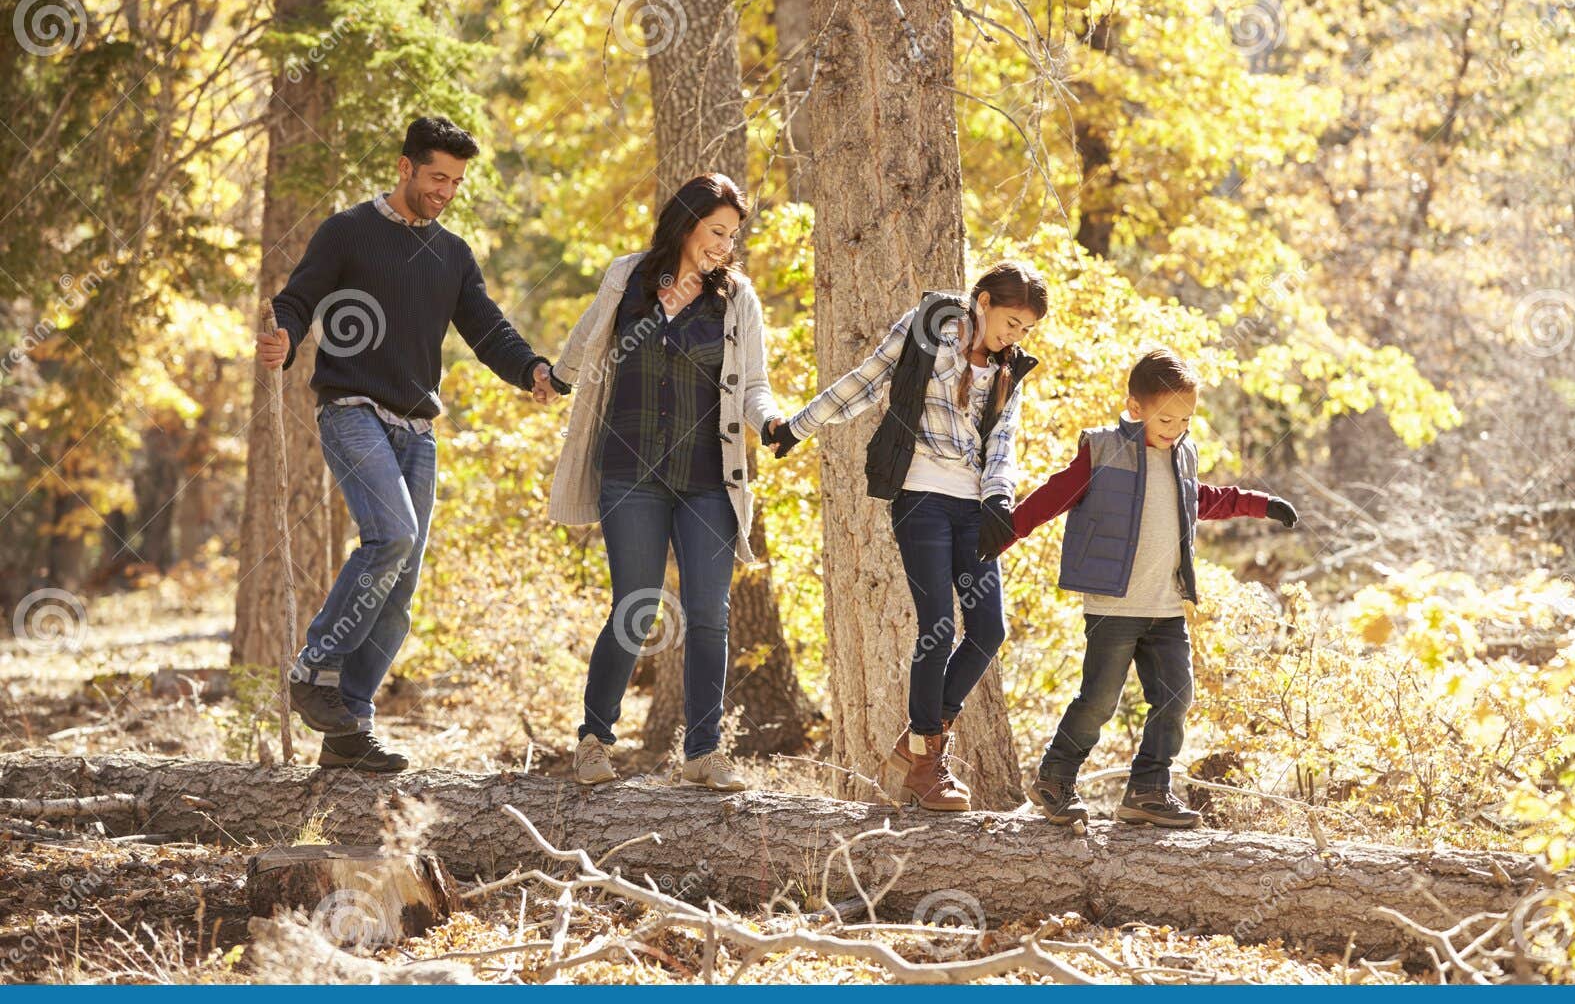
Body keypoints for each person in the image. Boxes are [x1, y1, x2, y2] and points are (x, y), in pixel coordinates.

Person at [257, 115, 557, 772]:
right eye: (435, 177)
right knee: (390, 536)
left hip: (418, 430)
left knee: (400, 588)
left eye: (455, 181)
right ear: (404, 167)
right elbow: (298, 297)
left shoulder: (452, 254)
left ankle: (349, 729)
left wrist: (531, 367)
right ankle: (315, 670)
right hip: (352, 409)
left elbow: (487, 329)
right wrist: (283, 333)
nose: (444, 191)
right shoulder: (349, 231)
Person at [767, 261, 1048, 812]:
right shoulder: (932, 325)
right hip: (919, 496)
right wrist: (798, 426)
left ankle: (922, 734)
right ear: (984, 301)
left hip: (973, 507)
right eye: (1012, 322)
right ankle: (927, 766)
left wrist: (999, 500)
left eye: (1026, 330)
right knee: (938, 626)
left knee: (989, 629)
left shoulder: (1010, 369)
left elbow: (1004, 446)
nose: (1015, 337)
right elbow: (869, 380)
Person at [991, 347, 1299, 829]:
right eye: (1167, 418)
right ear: (1135, 408)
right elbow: (1052, 497)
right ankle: (1055, 777)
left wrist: (1261, 504)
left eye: (1185, 419)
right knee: (1099, 699)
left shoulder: (1183, 456)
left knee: (1176, 696)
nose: (1176, 428)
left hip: (1166, 606)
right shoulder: (1103, 449)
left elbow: (1206, 500)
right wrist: (1002, 534)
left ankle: (1148, 790)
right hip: (1115, 604)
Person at [546, 173, 780, 792]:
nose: (724, 245)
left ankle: (703, 754)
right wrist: (550, 377)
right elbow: (587, 339)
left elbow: (754, 386)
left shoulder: (737, 299)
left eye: (732, 236)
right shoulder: (630, 277)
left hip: (709, 480)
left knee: (708, 614)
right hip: (631, 471)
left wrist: (772, 421)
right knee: (636, 604)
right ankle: (594, 742)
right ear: (685, 224)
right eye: (715, 231)